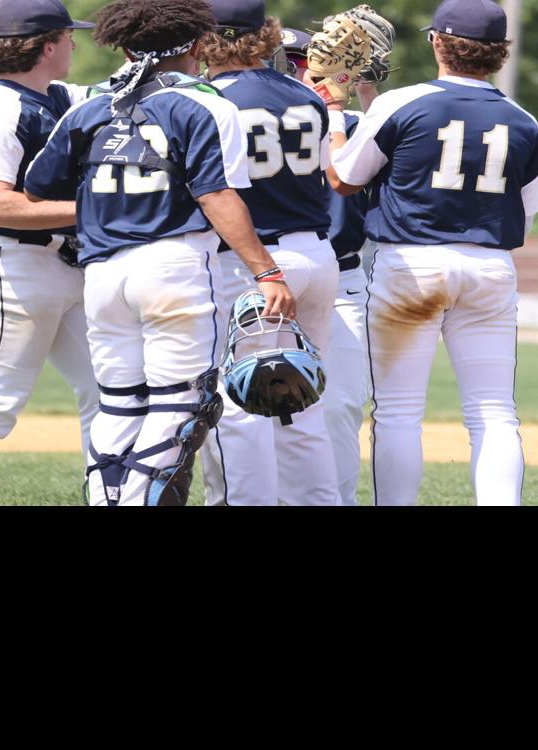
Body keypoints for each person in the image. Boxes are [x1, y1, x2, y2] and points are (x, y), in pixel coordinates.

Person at [24, 0, 295, 506]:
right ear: (196, 46)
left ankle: (110, 499)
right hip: (173, 268)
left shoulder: (89, 106)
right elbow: (218, 196)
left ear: (125, 45)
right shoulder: (207, 103)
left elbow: (39, 187)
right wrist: (267, 271)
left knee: (120, 408)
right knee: (181, 405)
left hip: (103, 272)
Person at [330, 0, 538, 506]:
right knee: (494, 412)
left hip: (410, 266)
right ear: (500, 52)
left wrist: (333, 110)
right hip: (489, 268)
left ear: (437, 41)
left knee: (397, 412)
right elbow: (531, 205)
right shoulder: (524, 119)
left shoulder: (402, 102)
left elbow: (342, 179)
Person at [0, 0, 101, 506]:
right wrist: (91, 209)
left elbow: (121, 93)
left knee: (110, 391)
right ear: (48, 45)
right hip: (11, 266)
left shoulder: (53, 95)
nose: (76, 43)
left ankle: (111, 495)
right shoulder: (0, 107)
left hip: (56, 267)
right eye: (68, 36)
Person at [195, 0, 342, 506]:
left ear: (204, 38)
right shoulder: (306, 95)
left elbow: (214, 193)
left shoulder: (206, 98)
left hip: (251, 263)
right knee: (301, 403)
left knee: (239, 406)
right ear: (266, 33)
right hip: (315, 255)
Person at [282, 9, 393, 506]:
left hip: (344, 280)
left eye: (302, 60)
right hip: (258, 275)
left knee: (340, 406)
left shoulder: (352, 126)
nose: (295, 69)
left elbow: (354, 171)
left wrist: (365, 95)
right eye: (282, 61)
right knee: (244, 402)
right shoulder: (242, 115)